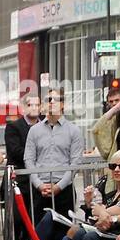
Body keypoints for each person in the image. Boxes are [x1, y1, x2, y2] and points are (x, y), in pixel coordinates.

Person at [25, 87, 84, 218]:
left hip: (64, 191)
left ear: (63, 104)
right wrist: (39, 185)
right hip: (40, 190)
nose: (51, 102)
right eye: (48, 99)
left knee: (63, 233)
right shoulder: (34, 131)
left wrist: (59, 186)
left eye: (55, 99)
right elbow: (29, 159)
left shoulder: (74, 131)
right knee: (39, 234)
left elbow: (75, 163)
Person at [6, 90, 43, 240]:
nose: (34, 108)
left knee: (38, 220)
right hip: (20, 182)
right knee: (21, 220)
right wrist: (39, 156)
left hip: (41, 181)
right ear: (23, 108)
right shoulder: (13, 127)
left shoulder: (47, 126)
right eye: (30, 104)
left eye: (37, 104)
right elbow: (15, 151)